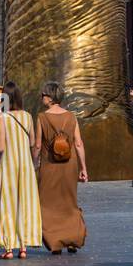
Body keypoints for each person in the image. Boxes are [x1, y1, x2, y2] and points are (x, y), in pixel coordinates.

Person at [34, 82, 87, 254]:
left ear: (49, 97)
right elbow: (78, 144)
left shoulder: (42, 117)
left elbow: (37, 145)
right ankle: (73, 239)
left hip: (49, 165)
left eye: (43, 95)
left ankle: (55, 241)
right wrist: (83, 168)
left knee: (48, 204)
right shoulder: (71, 116)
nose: (41, 98)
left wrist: (33, 163)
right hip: (69, 165)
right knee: (69, 202)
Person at [0, 80, 42, 259]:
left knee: (8, 203)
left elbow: (0, 147)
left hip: (9, 164)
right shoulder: (28, 116)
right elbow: (31, 142)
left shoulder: (3, 117)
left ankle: (9, 248)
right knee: (25, 202)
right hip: (26, 165)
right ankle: (23, 246)